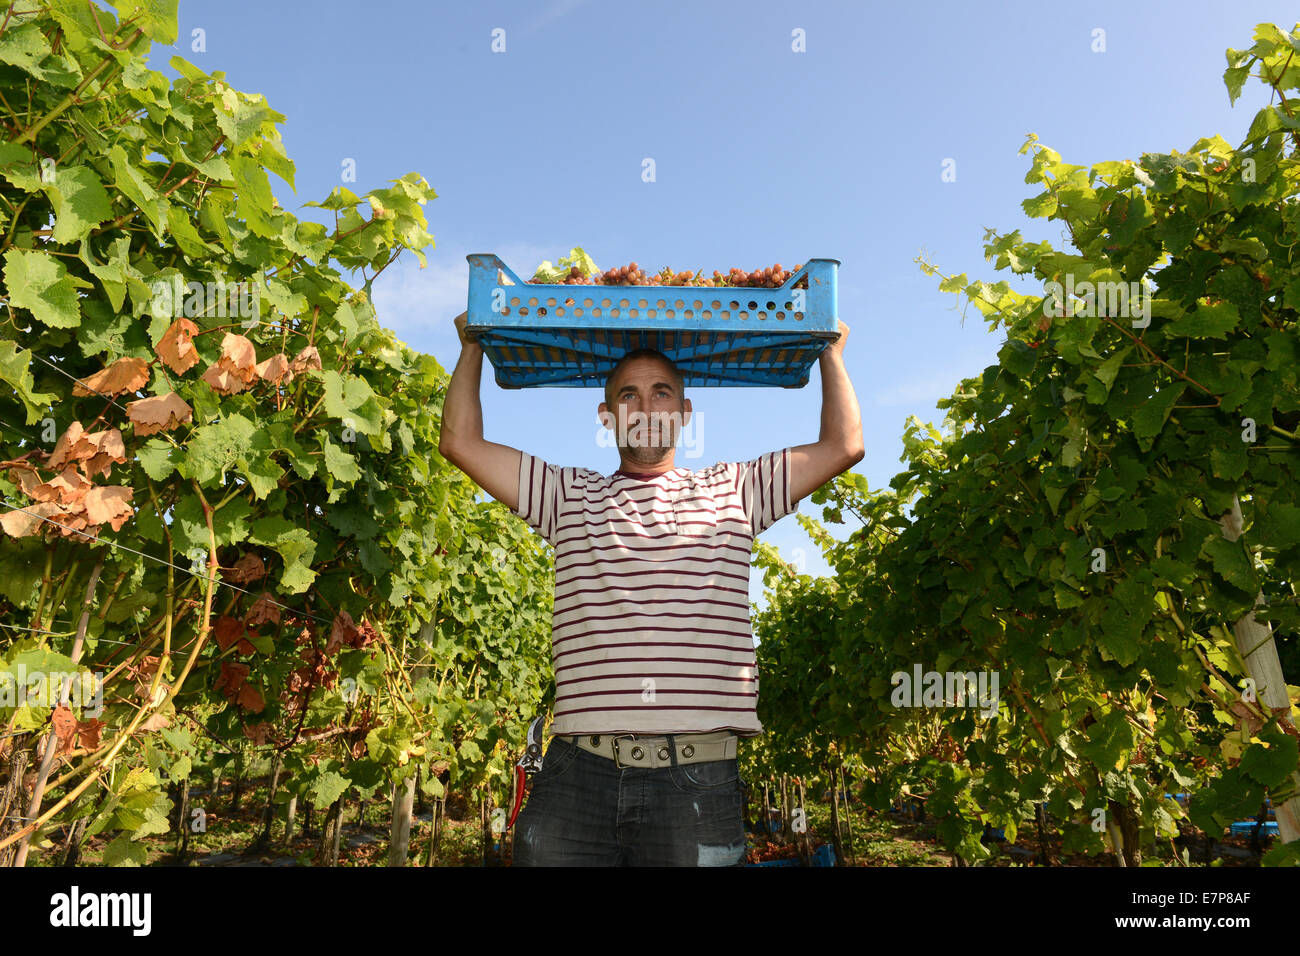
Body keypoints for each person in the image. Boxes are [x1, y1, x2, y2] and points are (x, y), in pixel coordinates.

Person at [438, 311, 863, 866]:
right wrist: (472, 345)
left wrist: (831, 350)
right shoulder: (566, 495)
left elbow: (844, 444)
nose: (645, 407)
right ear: (607, 415)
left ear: (685, 412)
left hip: (696, 778)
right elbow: (460, 442)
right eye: (629, 395)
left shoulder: (737, 490)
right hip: (575, 775)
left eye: (662, 393)